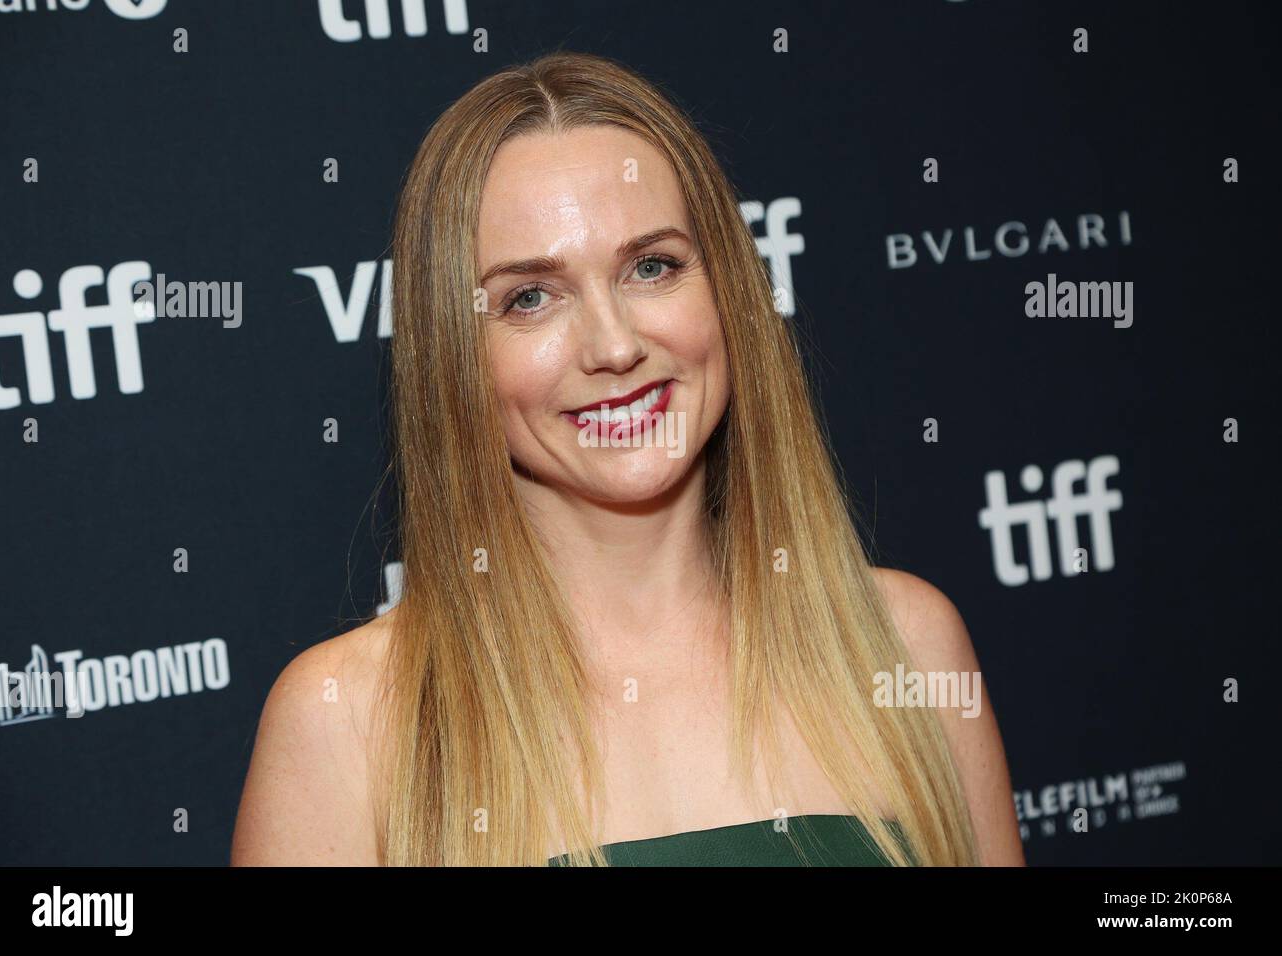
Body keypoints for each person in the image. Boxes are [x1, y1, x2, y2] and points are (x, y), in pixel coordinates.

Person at [231, 51, 1024, 867]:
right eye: (529, 297)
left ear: (731, 294)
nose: (614, 346)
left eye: (653, 267)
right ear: (453, 356)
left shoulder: (904, 648)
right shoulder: (350, 726)